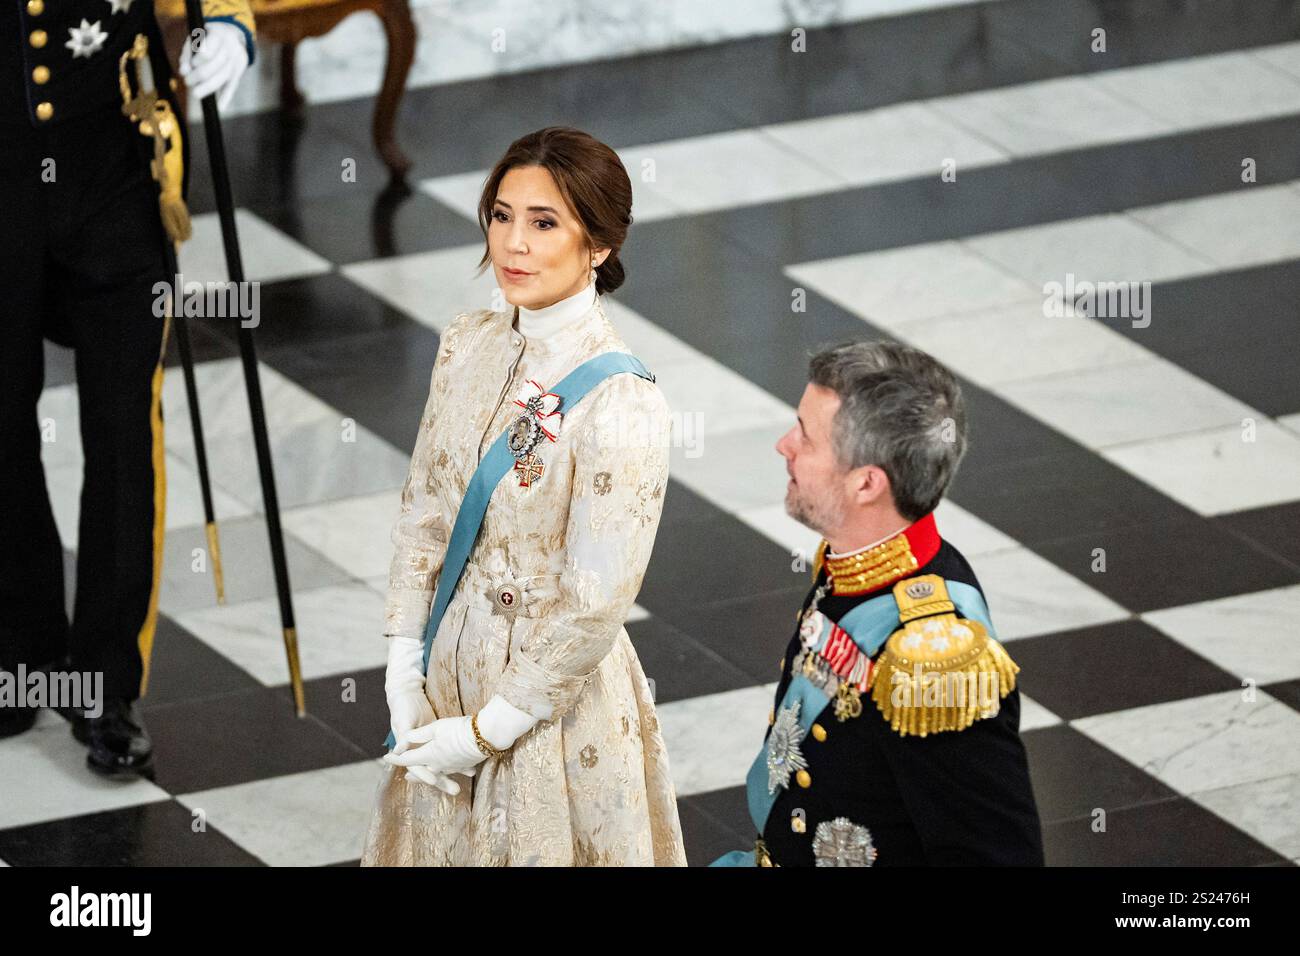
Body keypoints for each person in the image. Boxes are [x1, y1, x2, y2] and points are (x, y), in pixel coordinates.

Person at [361, 127, 687, 866]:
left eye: (545, 224)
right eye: (501, 215)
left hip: (547, 705)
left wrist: (485, 732)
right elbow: (425, 516)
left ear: (599, 245)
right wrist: (402, 671)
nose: (514, 243)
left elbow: (594, 604)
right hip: (445, 668)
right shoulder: (466, 343)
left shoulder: (621, 403)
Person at [0, 0, 254, 776]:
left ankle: (107, 683)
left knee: (123, 429)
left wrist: (232, 32)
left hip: (115, 172)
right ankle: (22, 656)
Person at [712, 342, 1044, 866]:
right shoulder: (853, 560)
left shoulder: (934, 663)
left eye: (806, 436)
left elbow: (995, 856)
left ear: (867, 483)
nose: (784, 445)